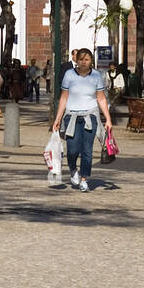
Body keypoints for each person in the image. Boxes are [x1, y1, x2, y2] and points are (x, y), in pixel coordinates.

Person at [52, 48, 113, 191]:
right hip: (72, 116)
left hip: (90, 116)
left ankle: (84, 178)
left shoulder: (96, 76)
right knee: (72, 149)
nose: (84, 63)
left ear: (91, 61)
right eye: (81, 60)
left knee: (87, 150)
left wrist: (108, 119)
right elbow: (64, 97)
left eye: (87, 60)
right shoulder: (69, 75)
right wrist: (58, 118)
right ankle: (73, 170)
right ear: (76, 60)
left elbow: (101, 98)